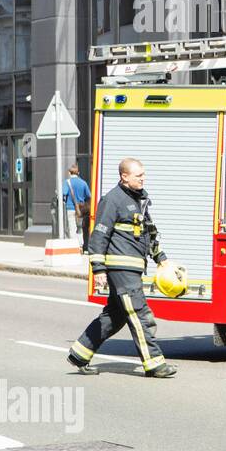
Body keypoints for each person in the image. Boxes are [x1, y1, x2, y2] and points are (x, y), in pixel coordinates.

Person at [67, 158, 177, 378]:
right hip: (121, 269)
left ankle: (79, 354)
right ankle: (154, 363)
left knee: (114, 316)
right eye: (139, 175)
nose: (143, 178)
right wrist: (98, 269)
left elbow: (148, 233)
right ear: (124, 177)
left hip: (133, 268)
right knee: (139, 314)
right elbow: (98, 236)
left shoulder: (140, 200)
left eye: (143, 174)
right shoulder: (112, 200)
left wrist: (161, 258)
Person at [62, 164, 91, 253]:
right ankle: (81, 245)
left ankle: (74, 247)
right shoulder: (83, 183)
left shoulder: (67, 182)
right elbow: (89, 195)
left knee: (72, 228)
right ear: (78, 173)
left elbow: (64, 193)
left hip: (70, 208)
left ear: (69, 173)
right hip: (81, 209)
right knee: (80, 228)